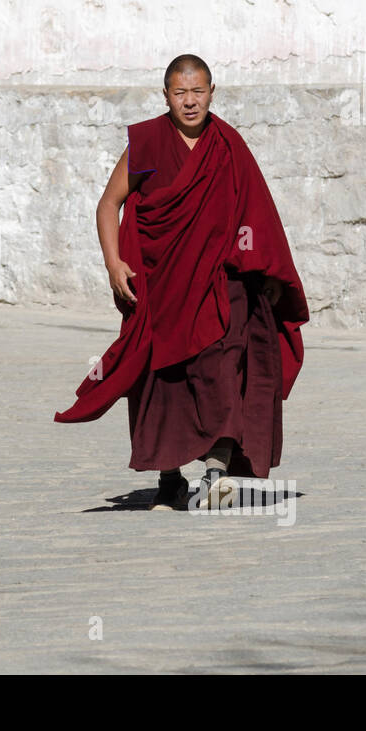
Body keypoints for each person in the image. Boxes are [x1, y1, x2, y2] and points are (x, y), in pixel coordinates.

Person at [54, 55, 308, 510]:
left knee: (222, 368)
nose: (189, 102)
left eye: (198, 92)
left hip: (220, 282)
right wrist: (114, 264)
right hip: (160, 282)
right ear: (165, 94)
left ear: (212, 92)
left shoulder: (229, 145)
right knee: (161, 376)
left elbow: (257, 214)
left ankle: (216, 469)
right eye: (179, 92)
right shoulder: (147, 143)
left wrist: (267, 276)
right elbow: (108, 204)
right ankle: (169, 476)